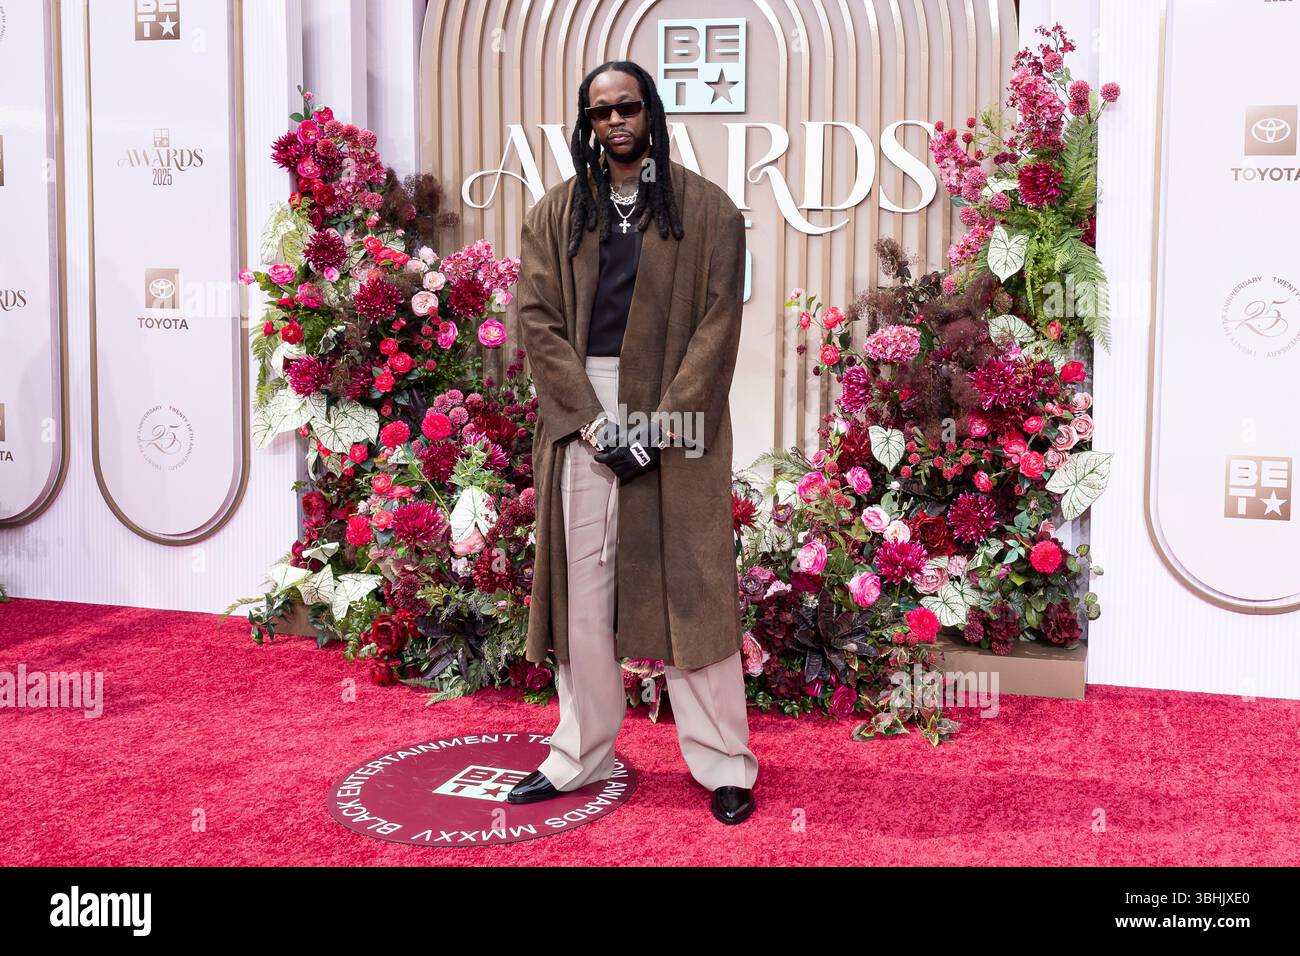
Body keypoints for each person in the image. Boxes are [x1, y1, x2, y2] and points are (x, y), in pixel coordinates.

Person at [507, 60, 758, 824]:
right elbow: (538, 321)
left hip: (676, 418)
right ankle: (579, 754)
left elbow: (717, 331)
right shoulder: (557, 214)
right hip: (583, 410)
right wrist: (589, 420)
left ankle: (724, 764)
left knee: (694, 584)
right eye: (600, 111)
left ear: (651, 111)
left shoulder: (711, 213)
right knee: (583, 590)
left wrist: (654, 430)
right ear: (588, 124)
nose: (616, 120)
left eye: (628, 106)